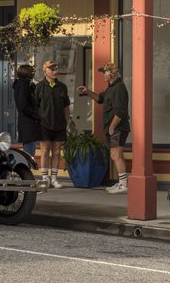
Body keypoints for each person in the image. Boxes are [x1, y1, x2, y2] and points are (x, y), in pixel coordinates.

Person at [77, 63, 130, 194]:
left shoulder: (119, 88)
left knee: (115, 154)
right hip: (113, 128)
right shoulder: (111, 88)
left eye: (105, 72)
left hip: (118, 128)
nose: (103, 75)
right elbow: (100, 98)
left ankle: (123, 185)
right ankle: (123, 183)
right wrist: (87, 92)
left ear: (111, 74)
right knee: (118, 155)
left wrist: (112, 127)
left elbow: (120, 112)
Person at [35, 60, 71, 189]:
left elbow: (66, 105)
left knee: (56, 152)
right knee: (44, 151)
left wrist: (67, 120)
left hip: (60, 124)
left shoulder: (62, 87)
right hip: (44, 124)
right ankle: (45, 178)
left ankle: (54, 179)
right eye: (52, 69)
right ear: (45, 71)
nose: (55, 72)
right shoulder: (39, 87)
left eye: (56, 69)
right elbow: (34, 107)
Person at [12, 64, 41, 157]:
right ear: (26, 73)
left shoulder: (27, 85)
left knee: (30, 151)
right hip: (27, 124)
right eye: (31, 72)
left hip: (30, 123)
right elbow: (23, 106)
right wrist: (37, 115)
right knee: (29, 153)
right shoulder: (22, 86)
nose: (33, 73)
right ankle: (27, 170)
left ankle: (28, 169)